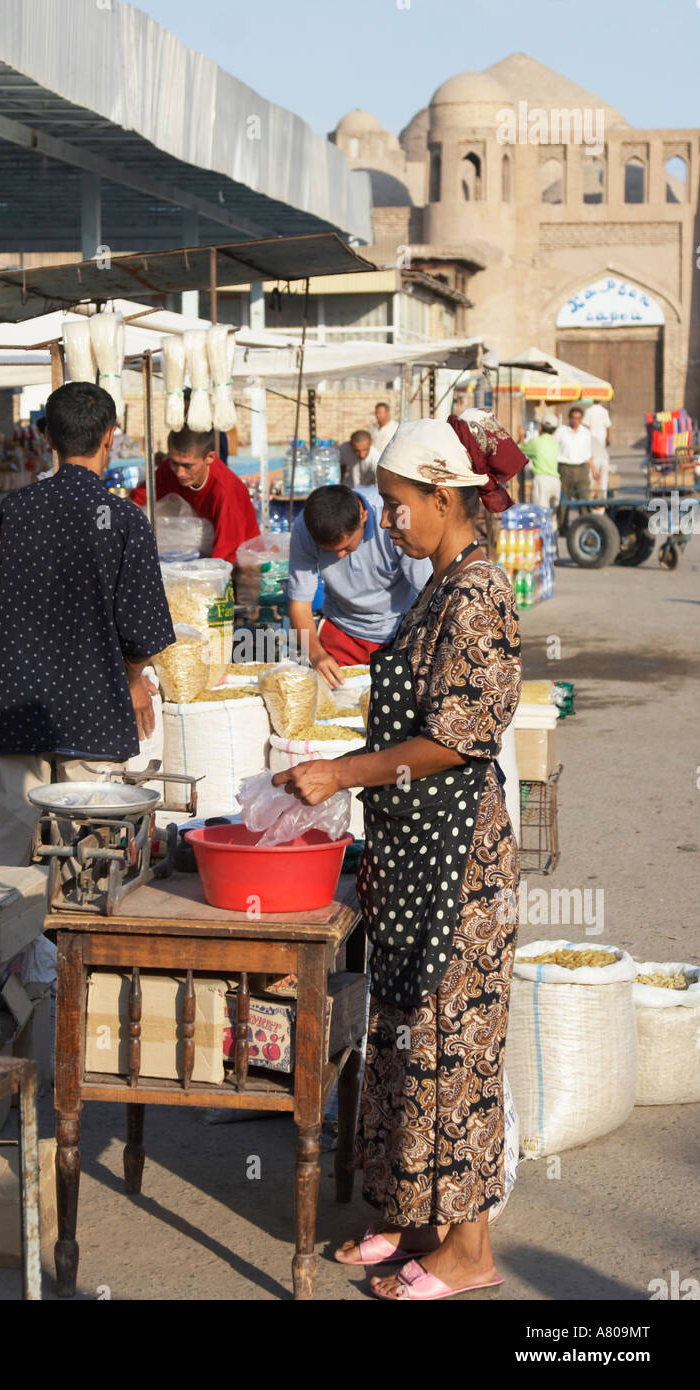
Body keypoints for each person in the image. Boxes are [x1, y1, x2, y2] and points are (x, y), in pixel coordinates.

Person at [274, 409, 524, 1302]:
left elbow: (461, 734)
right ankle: (418, 1214)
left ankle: (470, 1251)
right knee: (411, 1037)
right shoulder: (437, 578)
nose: (389, 522)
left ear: (444, 495)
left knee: (458, 1047)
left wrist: (344, 769)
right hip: (416, 847)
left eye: (397, 504)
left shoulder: (480, 590)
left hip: (460, 858)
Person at [0, 382, 175, 865]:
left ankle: (7, 939)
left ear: (49, 440)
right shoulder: (124, 519)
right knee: (89, 868)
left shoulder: (14, 511)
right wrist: (134, 680)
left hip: (11, 709)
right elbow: (143, 630)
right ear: (111, 436)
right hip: (93, 711)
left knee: (0, 871)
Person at [286, 482, 431, 683]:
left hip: (398, 633)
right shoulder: (305, 527)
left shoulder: (394, 516)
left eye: (346, 547)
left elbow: (429, 590)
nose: (339, 555)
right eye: (330, 551)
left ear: (363, 516)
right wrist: (317, 655)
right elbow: (299, 605)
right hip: (341, 634)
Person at [130, 424, 258, 564]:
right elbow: (137, 501)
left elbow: (224, 560)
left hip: (240, 565)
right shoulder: (169, 469)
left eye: (188, 466)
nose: (179, 473)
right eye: (174, 463)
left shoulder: (226, 492)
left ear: (209, 458)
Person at [554, 405, 596, 531]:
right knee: (564, 500)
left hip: (582, 468)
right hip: (565, 468)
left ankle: (587, 527)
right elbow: (553, 448)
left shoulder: (586, 433)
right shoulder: (561, 431)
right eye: (573, 418)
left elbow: (588, 454)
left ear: (581, 419)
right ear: (569, 418)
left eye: (578, 418)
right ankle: (562, 527)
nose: (575, 420)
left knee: (584, 499)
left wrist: (594, 470)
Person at [520, 412, 561, 519]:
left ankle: (542, 536)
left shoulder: (536, 442)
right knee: (552, 517)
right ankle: (552, 535)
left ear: (540, 427)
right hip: (556, 481)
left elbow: (519, 449)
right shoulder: (556, 443)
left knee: (540, 515)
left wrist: (521, 436)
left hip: (542, 481)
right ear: (555, 430)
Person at [582, 399, 612, 497]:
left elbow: (585, 425)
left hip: (592, 449)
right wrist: (607, 438)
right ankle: (603, 501)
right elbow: (608, 427)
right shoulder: (604, 411)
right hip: (602, 448)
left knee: (590, 479)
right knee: (603, 482)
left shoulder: (589, 411)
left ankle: (588, 499)